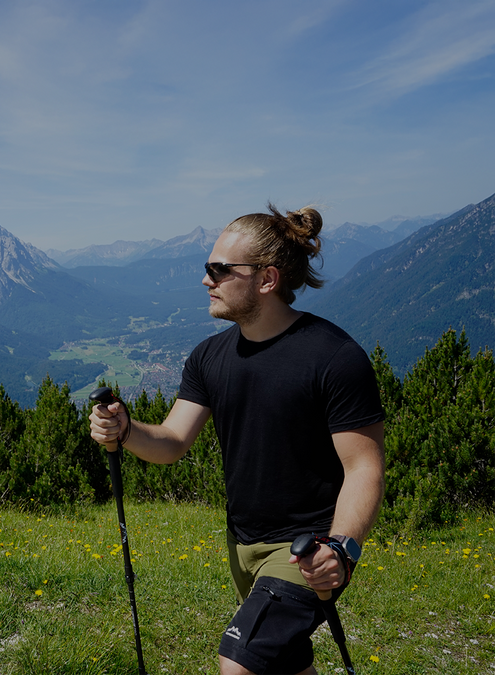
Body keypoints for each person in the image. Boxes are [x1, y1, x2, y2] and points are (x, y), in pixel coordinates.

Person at [89, 204, 385, 675]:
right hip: (242, 544)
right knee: (283, 661)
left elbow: (364, 467)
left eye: (220, 270)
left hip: (306, 549)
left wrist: (341, 547)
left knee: (240, 663)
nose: (207, 280)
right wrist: (125, 431)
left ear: (266, 279)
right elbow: (170, 442)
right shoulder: (209, 356)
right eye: (207, 268)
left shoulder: (334, 357)